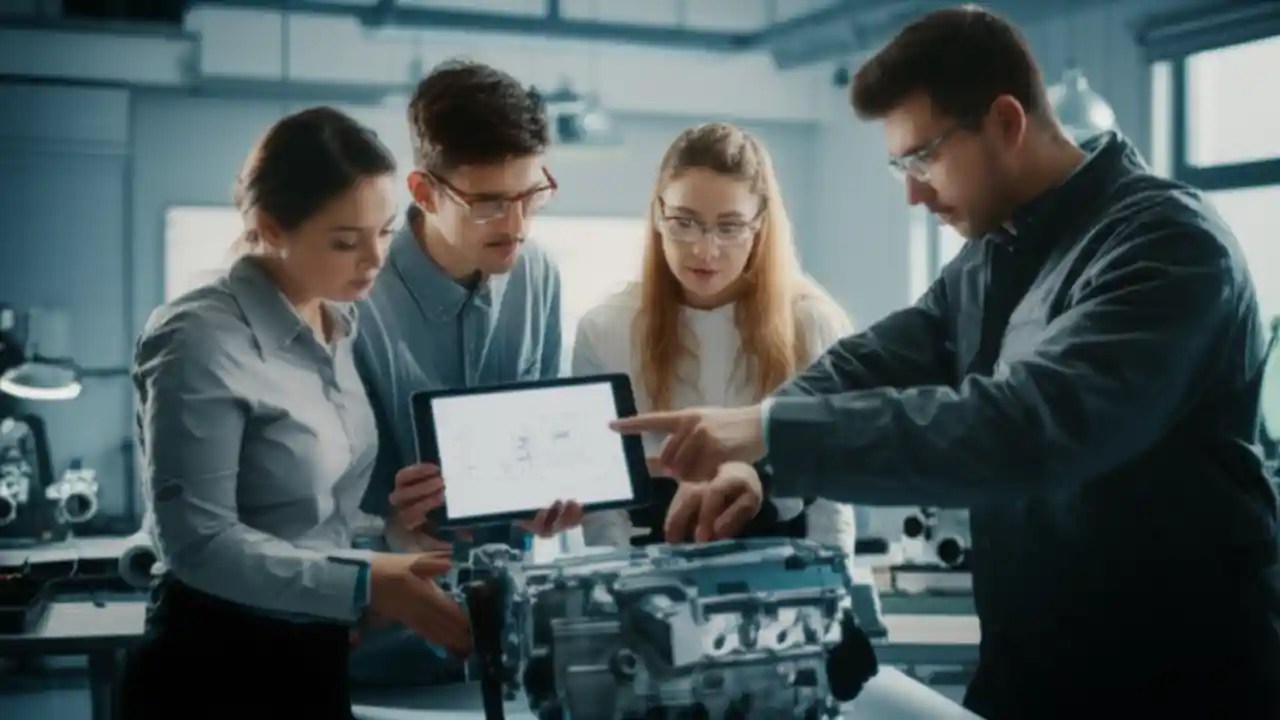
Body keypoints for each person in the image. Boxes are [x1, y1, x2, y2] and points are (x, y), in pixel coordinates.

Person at [611, 7, 1280, 719]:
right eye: (901, 165)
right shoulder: (997, 253)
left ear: (1005, 122)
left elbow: (1026, 427)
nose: (912, 191)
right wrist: (755, 461)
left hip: (1182, 684)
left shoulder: (1168, 246)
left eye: (922, 157)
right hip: (1031, 674)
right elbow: (878, 359)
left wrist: (770, 429)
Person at [117, 107, 470, 719]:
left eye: (384, 232)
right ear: (270, 226)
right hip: (211, 671)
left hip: (314, 658)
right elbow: (198, 544)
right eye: (345, 240)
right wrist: (365, 580)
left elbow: (312, 519)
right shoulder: (199, 336)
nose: (374, 258)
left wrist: (390, 532)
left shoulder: (336, 320)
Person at [350, 59, 582, 684]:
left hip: (510, 636)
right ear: (424, 192)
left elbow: (539, 438)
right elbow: (306, 508)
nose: (517, 225)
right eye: (489, 203)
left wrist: (546, 493)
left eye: (532, 195)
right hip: (378, 639)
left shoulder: (539, 275)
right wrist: (388, 531)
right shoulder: (354, 299)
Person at [573, 122, 857, 553]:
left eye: (729, 227)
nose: (705, 251)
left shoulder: (814, 322)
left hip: (783, 560)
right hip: (651, 561)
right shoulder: (606, 328)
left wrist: (834, 590)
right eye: (685, 223)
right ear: (656, 214)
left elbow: (832, 499)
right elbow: (603, 503)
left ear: (759, 225)